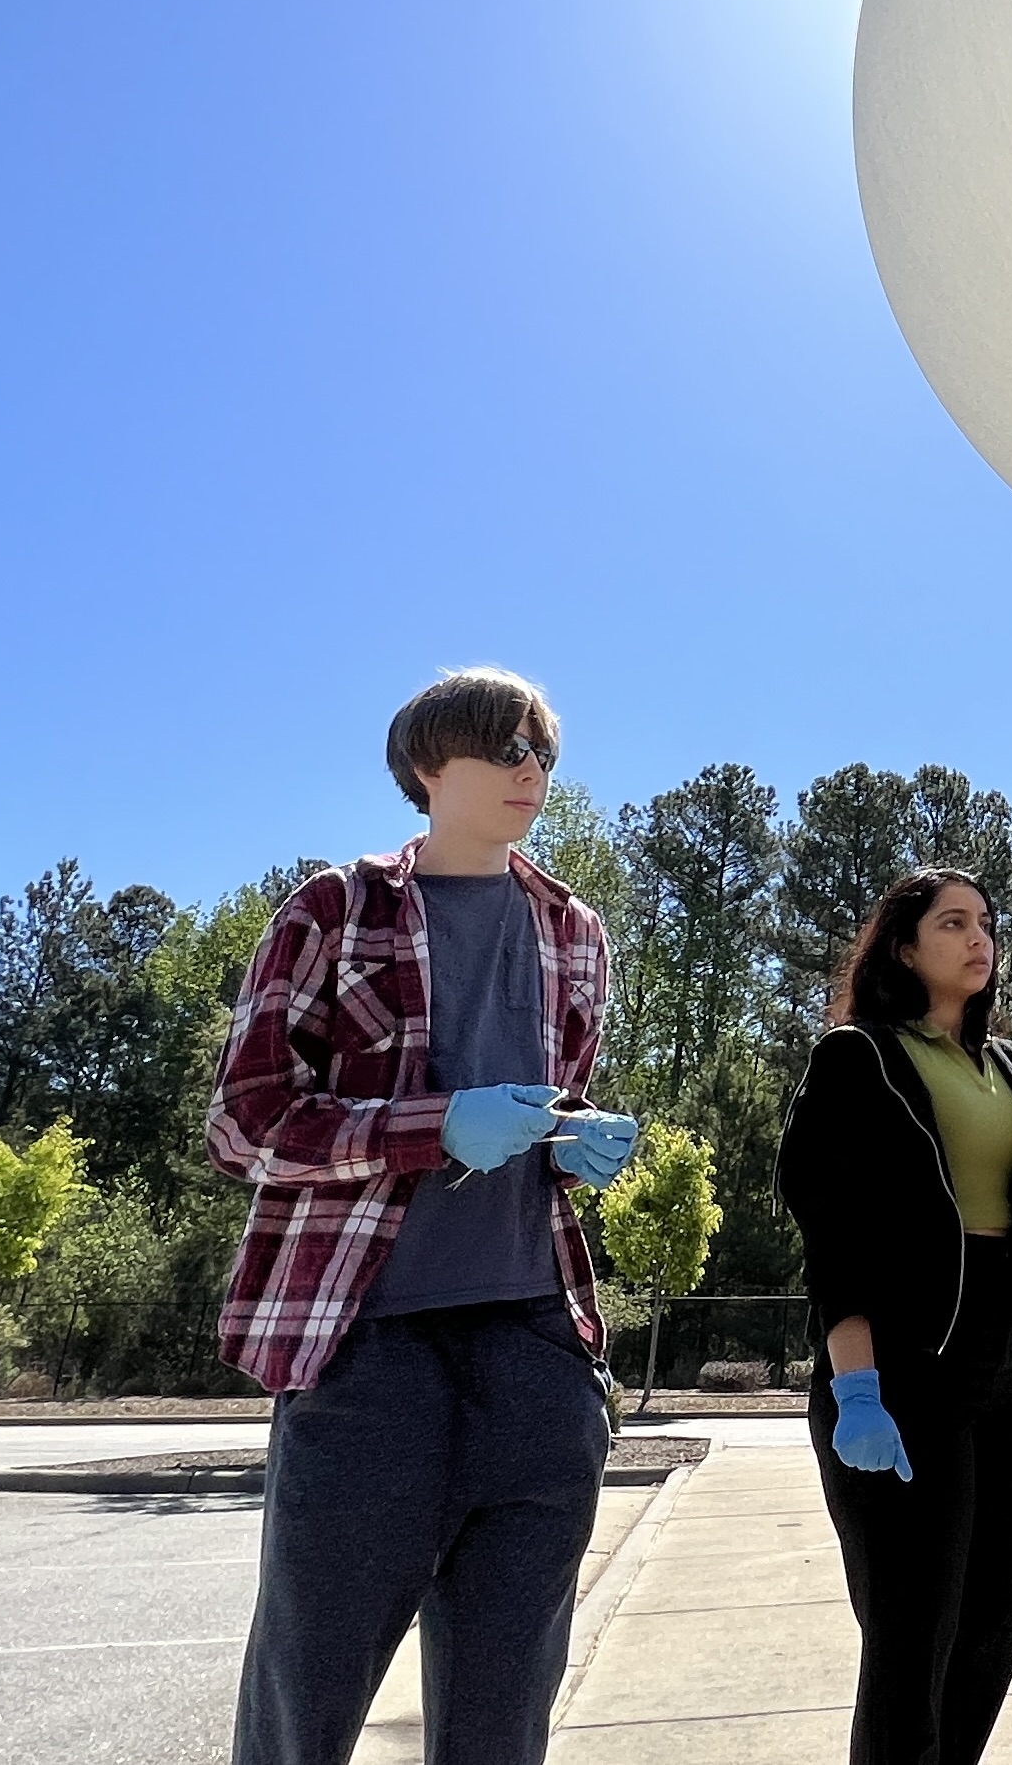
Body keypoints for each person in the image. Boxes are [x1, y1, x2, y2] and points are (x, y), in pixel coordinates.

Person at [204, 667, 647, 1765]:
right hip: (368, 1356)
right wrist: (435, 1125)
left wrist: (573, 1144)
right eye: (505, 749)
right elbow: (245, 1125)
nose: (532, 771)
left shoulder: (574, 930)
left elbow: (547, 1108)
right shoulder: (333, 910)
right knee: (306, 1707)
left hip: (539, 1352)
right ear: (428, 766)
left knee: (504, 1722)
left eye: (542, 753)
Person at [778, 868, 1012, 1765]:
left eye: (986, 923)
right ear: (904, 948)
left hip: (989, 1372)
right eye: (952, 923)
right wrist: (858, 1389)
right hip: (895, 1373)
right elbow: (834, 1239)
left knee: (995, 1621)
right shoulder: (858, 1058)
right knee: (911, 1641)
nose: (980, 939)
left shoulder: (1009, 1068)